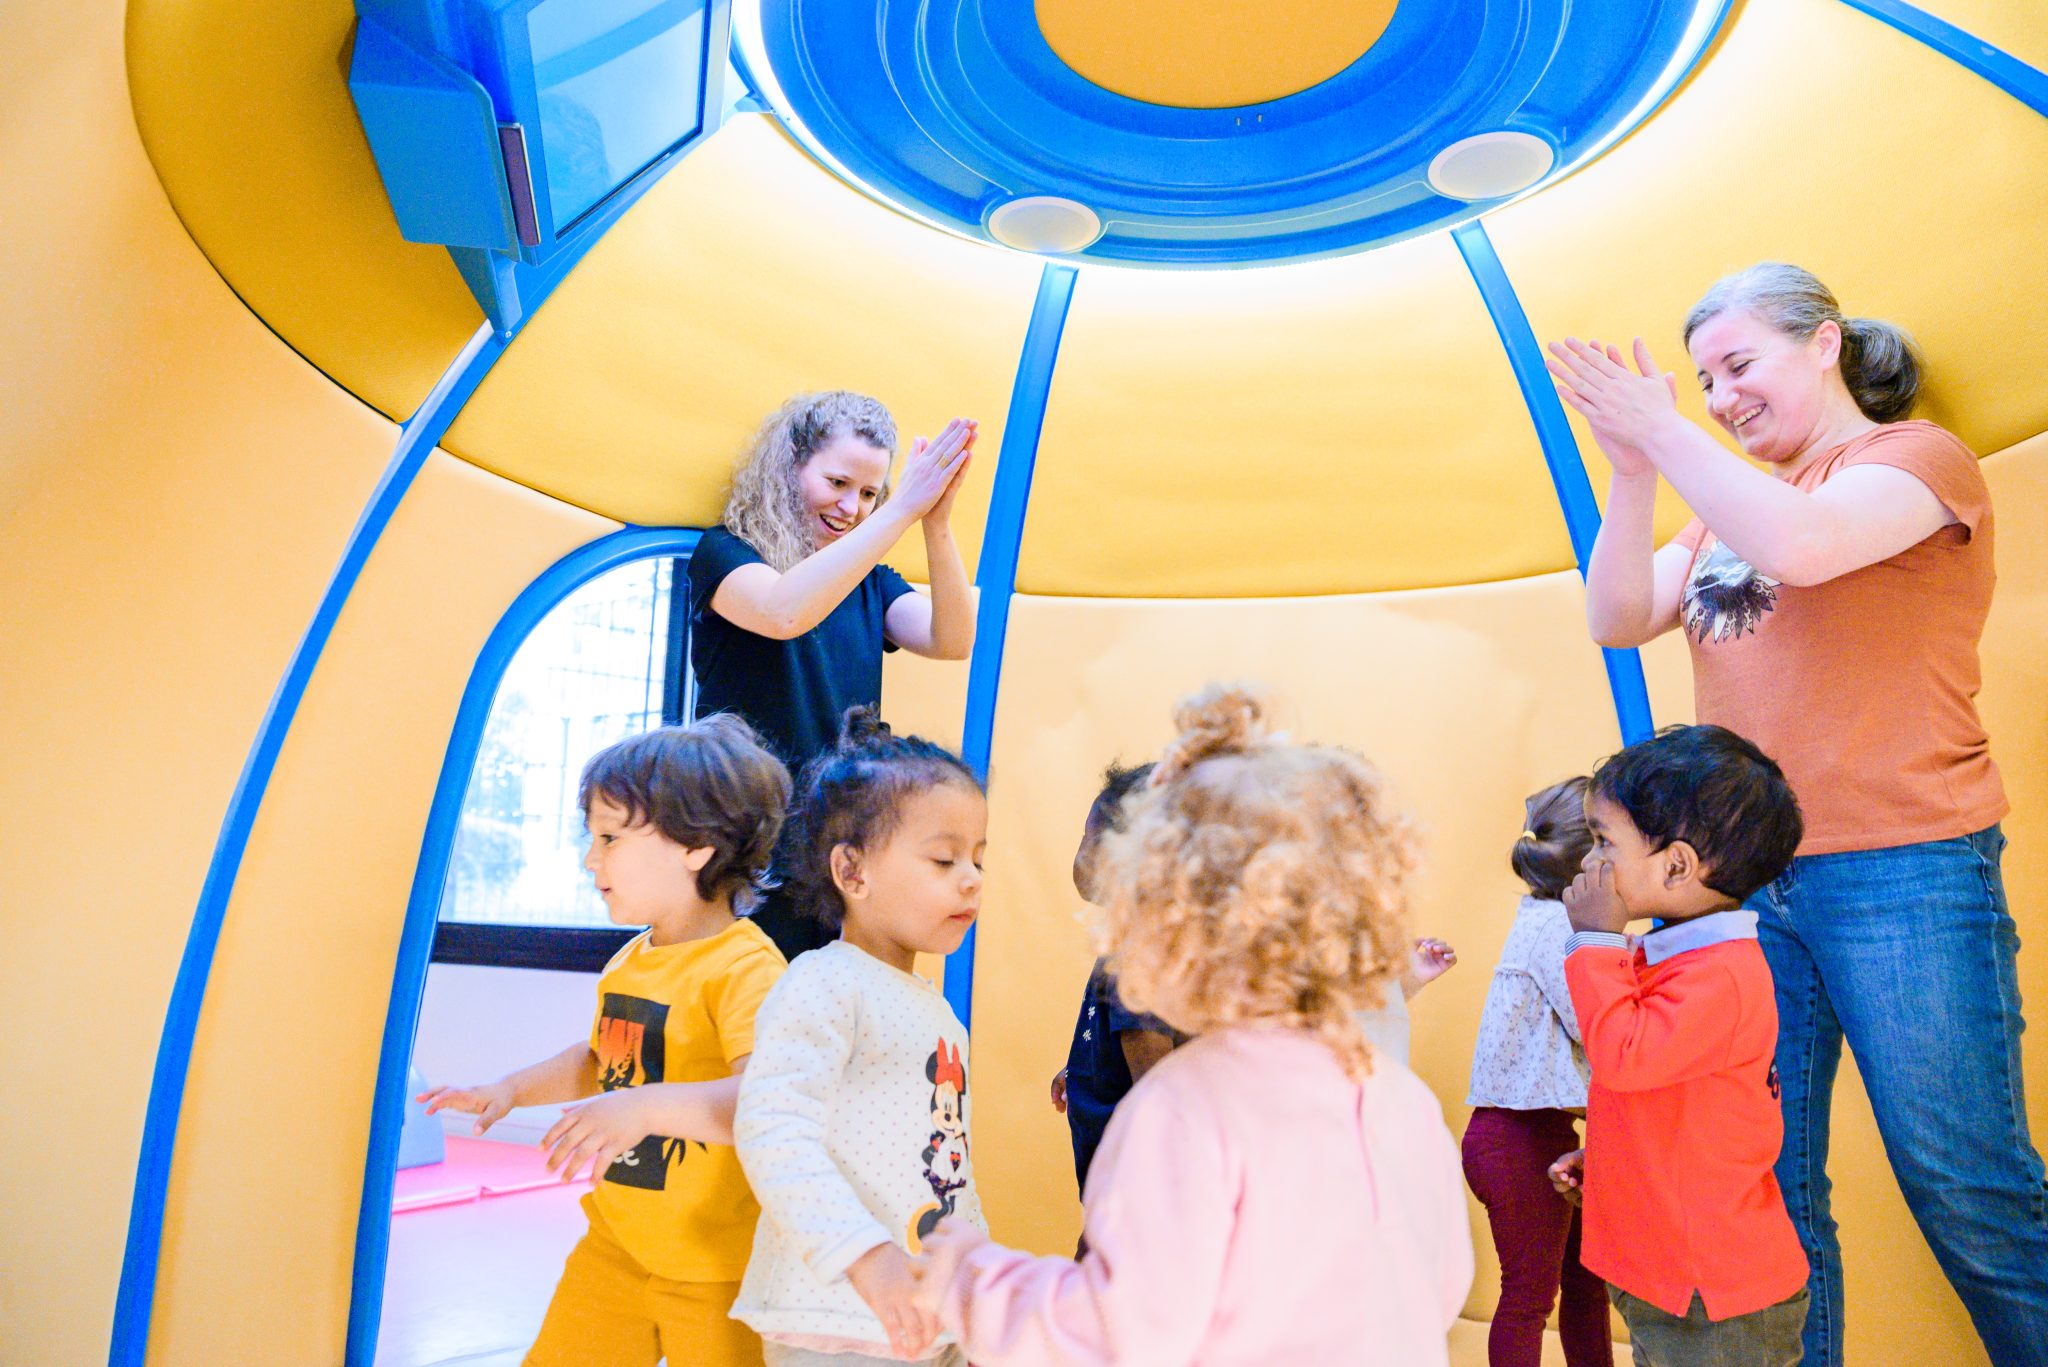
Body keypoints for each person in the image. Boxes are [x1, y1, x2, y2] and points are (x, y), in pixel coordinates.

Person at [1549, 262, 2048, 1365]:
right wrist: (1632, 468)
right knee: (1767, 1188)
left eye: (1738, 365)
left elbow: (1804, 546)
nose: (1720, 398)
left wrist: (1668, 432)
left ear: (1824, 343)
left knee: (1967, 1185)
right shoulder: (1716, 511)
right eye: (1702, 382)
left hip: (1902, 866)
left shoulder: (1914, 459)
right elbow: (1616, 612)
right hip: (1741, 894)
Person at [914, 686, 1473, 1366]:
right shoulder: (1401, 1097)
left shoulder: (1185, 1107)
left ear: (1165, 932)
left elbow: (1115, 1331)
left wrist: (970, 1277)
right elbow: (1441, 1285)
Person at [417, 718, 792, 1367]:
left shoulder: (746, 970)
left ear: (697, 846)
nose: (591, 859)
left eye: (610, 837)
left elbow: (765, 1102)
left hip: (718, 1270)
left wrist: (644, 1108)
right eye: (592, 838)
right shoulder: (632, 959)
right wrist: (509, 1090)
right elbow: (601, 1061)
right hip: (616, 1246)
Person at [728, 707, 988, 1366]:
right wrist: (866, 1256)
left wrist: (974, 1280)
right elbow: (771, 1128)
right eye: (944, 858)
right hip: (837, 1318)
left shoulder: (937, 1012)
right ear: (853, 872)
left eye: (978, 859)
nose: (971, 878)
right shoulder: (825, 983)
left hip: (928, 1314)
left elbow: (949, 1167)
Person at [1549, 725, 1807, 1365]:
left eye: (1604, 841)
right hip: (1669, 1275)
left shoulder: (1723, 976)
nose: (1589, 862)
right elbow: (1668, 1101)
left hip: (1715, 1298)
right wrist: (1611, 1164)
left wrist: (1595, 942)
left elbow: (1623, 1056)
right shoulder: (1676, 960)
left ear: (1676, 866)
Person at [688, 391, 978, 961]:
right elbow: (783, 613)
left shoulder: (870, 580)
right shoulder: (726, 553)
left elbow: (952, 640)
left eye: (870, 494)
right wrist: (900, 510)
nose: (852, 507)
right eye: (838, 483)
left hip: (835, 841)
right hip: (742, 840)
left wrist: (935, 523)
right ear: (790, 467)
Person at [1463, 777, 1607, 1367]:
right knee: (1528, 1297)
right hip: (1516, 1140)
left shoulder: (1544, 917)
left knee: (1585, 1285)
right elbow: (1598, 1026)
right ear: (1589, 856)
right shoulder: (1559, 930)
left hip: (1539, 1136)